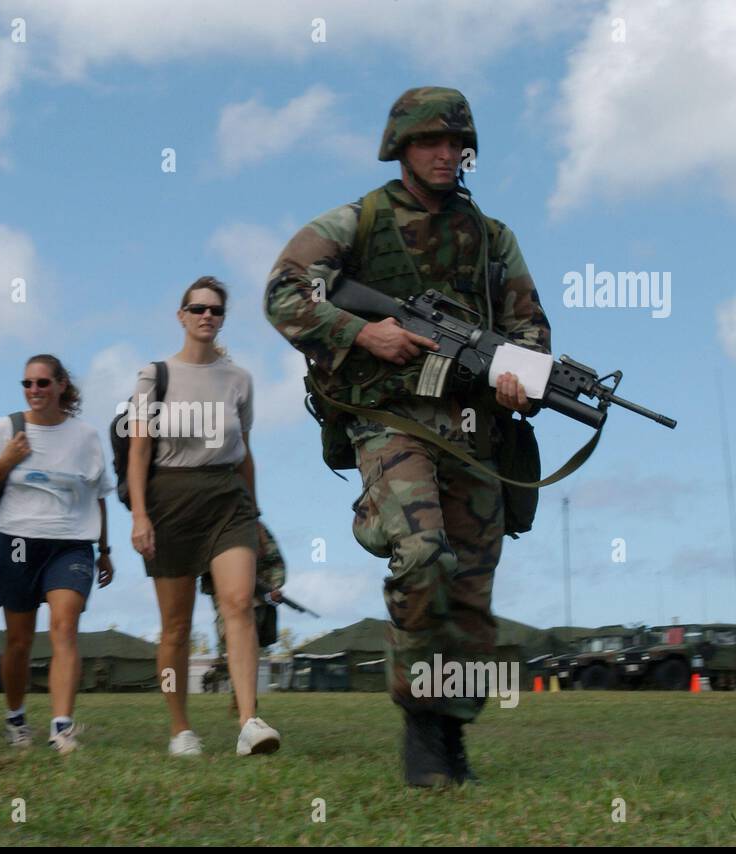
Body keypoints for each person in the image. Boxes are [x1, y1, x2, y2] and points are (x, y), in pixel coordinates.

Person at [264, 87, 551, 786]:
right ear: (402, 147)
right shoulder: (358, 221)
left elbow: (530, 329)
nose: (447, 154)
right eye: (431, 142)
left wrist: (523, 374)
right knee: (423, 555)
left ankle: (452, 733)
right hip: (390, 421)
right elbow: (283, 290)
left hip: (474, 430)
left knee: (471, 593)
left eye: (456, 144)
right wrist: (362, 330)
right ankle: (422, 729)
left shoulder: (492, 237)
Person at [127, 277, 282, 757]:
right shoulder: (154, 376)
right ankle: (181, 730)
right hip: (169, 498)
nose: (206, 316)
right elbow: (138, 452)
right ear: (181, 316)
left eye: (215, 310)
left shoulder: (240, 380)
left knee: (239, 603)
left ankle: (249, 721)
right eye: (197, 309)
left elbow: (246, 453)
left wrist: (255, 515)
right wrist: (139, 514)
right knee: (176, 625)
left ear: (222, 319)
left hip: (227, 498)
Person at [0, 355, 115, 754]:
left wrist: (104, 550)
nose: (34, 391)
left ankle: (61, 727)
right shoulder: (6, 428)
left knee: (64, 628)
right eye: (27, 384)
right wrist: (5, 461)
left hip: (71, 543)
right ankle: (16, 718)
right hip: (18, 542)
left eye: (42, 383)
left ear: (60, 387)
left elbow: (99, 496)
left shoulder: (85, 436)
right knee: (18, 641)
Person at [200, 519, 285, 714]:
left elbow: (276, 560)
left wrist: (274, 586)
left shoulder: (256, 528)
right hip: (224, 592)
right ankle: (240, 695)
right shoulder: (208, 526)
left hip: (257, 596)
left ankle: (244, 698)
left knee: (249, 642)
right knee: (230, 640)